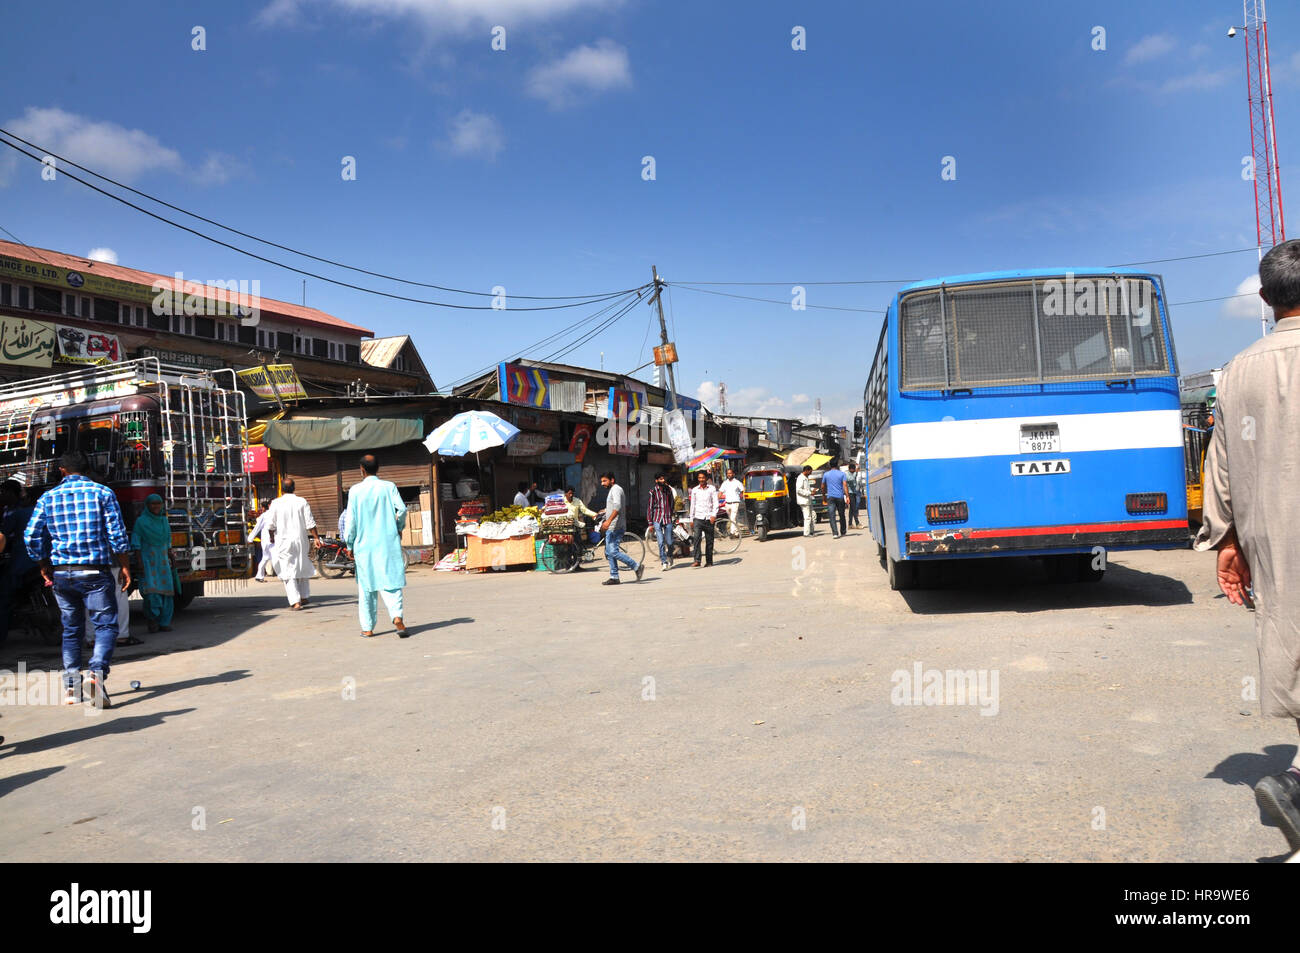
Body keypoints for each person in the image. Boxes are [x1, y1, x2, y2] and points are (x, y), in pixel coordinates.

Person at [1195, 238, 1300, 853]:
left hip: (1274, 540)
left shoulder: (1237, 372)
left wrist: (1225, 542)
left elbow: (1222, 467)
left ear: (1265, 299)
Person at [23, 450, 132, 708]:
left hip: (62, 573)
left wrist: (42, 564)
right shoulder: (103, 493)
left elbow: (31, 536)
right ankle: (96, 674)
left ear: (63, 470)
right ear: (87, 469)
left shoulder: (47, 498)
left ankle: (71, 688)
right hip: (95, 571)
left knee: (71, 630)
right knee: (105, 626)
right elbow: (117, 535)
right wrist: (125, 566)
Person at [344, 454, 408, 638]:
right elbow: (402, 509)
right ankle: (397, 617)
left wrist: (349, 543)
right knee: (391, 582)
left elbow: (351, 521)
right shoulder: (389, 487)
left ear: (361, 469)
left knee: (366, 587)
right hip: (388, 543)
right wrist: (398, 527)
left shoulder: (355, 491)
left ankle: (368, 628)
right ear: (378, 468)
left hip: (364, 546)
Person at [263, 478, 320, 610]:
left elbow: (270, 525)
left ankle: (295, 601)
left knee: (287, 569)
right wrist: (316, 538)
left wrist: (271, 538)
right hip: (301, 540)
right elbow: (310, 522)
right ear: (294, 488)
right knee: (302, 564)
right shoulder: (302, 501)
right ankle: (304, 596)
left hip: (283, 541)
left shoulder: (276, 503)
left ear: (281, 489)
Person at [130, 494, 179, 633]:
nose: (156, 506)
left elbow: (168, 542)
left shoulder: (164, 521)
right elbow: (136, 543)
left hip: (163, 562)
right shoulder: (141, 522)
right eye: (153, 503)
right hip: (148, 561)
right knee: (151, 594)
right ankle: (152, 619)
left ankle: (164, 622)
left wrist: (173, 559)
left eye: (159, 503)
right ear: (147, 505)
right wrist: (139, 562)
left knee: (167, 593)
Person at [0, 478, 35, 645]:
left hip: (21, 559)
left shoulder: (18, 513)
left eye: (4, 492)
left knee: (4, 597)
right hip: (36, 557)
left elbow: (3, 536)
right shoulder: (10, 510)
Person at [598, 471, 643, 585]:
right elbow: (613, 506)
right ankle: (614, 576)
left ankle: (636, 566)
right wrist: (604, 511)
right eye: (601, 481)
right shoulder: (613, 490)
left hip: (616, 527)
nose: (602, 483)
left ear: (612, 480)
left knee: (613, 551)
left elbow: (617, 506)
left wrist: (608, 521)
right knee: (609, 552)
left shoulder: (616, 489)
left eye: (604, 481)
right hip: (611, 527)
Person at [647, 471, 676, 570]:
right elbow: (650, 508)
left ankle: (670, 555)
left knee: (670, 542)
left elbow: (672, 503)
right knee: (660, 542)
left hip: (667, 518)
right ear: (656, 480)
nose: (663, 480)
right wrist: (650, 523)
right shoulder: (653, 492)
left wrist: (672, 514)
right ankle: (664, 562)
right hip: (657, 519)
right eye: (661, 479)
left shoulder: (669, 490)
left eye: (664, 479)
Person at [689, 470, 719, 567]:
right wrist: (691, 518)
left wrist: (714, 515)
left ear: (706, 478)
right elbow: (692, 505)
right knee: (696, 539)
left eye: (703, 477)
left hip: (709, 518)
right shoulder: (695, 490)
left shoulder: (712, 489)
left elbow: (715, 503)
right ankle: (697, 560)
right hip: (698, 518)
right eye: (699, 478)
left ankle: (709, 561)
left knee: (709, 540)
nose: (701, 480)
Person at [822, 464, 848, 538]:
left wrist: (824, 495)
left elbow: (823, 486)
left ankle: (835, 533)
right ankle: (843, 531)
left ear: (830, 466)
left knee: (832, 516)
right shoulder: (842, 474)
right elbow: (845, 485)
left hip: (830, 497)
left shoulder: (826, 474)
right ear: (838, 466)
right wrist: (847, 496)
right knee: (841, 514)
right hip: (840, 497)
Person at [718, 467, 745, 538]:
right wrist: (720, 497)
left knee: (733, 518)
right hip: (727, 503)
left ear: (733, 474)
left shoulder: (737, 482)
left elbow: (742, 490)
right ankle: (736, 533)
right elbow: (720, 493)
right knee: (732, 519)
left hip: (735, 502)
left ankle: (732, 532)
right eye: (728, 473)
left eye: (730, 473)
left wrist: (741, 496)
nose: (729, 475)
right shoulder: (725, 483)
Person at [251, 506, 274, 582]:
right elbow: (257, 528)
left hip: (271, 540)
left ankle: (259, 576)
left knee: (265, 558)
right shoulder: (265, 516)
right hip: (268, 540)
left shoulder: (275, 513)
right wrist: (250, 538)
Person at [795, 464, 816, 537]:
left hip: (808, 500)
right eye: (810, 471)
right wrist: (810, 493)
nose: (811, 473)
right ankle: (806, 533)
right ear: (806, 471)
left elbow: (806, 489)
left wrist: (812, 490)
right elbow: (799, 490)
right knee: (807, 517)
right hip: (804, 501)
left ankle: (811, 531)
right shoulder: (801, 478)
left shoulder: (805, 478)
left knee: (812, 516)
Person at [847, 462, 864, 528]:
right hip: (850, 493)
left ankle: (850, 524)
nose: (854, 470)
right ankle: (857, 523)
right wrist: (855, 473)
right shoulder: (847, 474)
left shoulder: (852, 473)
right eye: (853, 470)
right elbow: (851, 479)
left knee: (851, 509)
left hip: (854, 492)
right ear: (850, 469)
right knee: (854, 508)